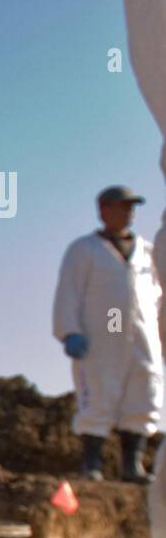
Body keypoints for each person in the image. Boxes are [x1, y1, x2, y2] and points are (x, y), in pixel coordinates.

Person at [53, 186, 162, 482]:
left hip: (143, 336)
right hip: (102, 337)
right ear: (102, 210)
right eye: (119, 207)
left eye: (130, 207)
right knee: (99, 394)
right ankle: (92, 464)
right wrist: (69, 331)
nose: (126, 213)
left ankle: (133, 465)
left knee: (144, 394)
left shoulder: (149, 253)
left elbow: (160, 296)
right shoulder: (84, 250)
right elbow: (68, 292)